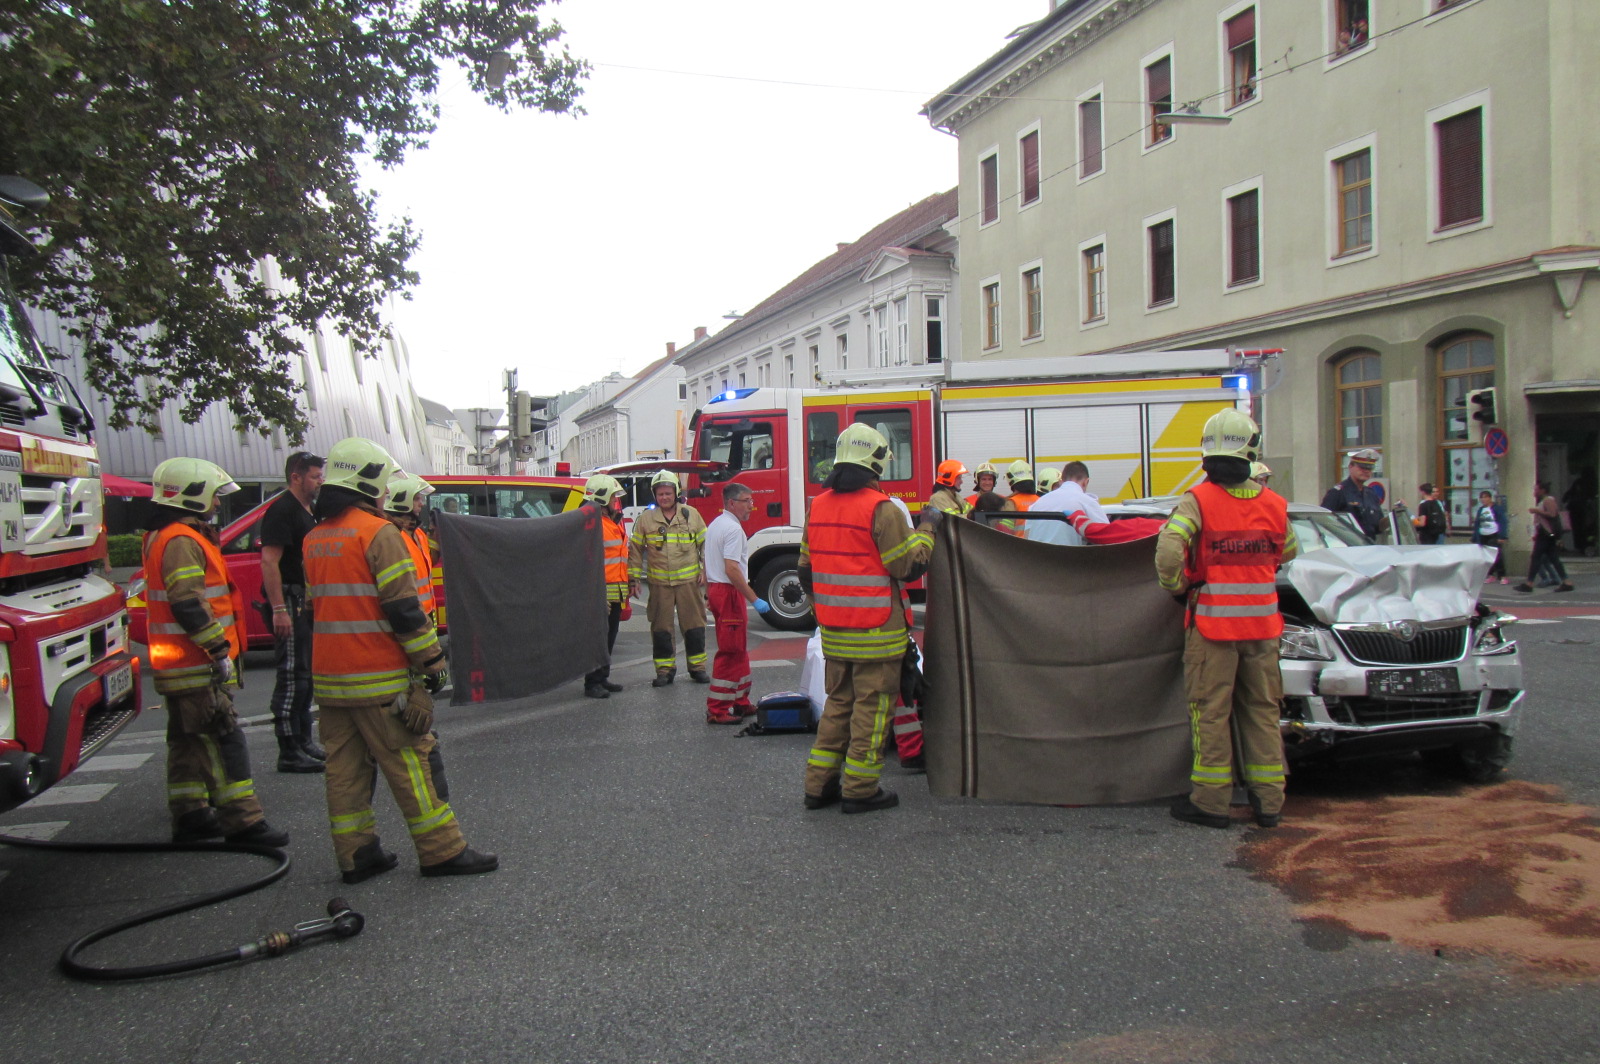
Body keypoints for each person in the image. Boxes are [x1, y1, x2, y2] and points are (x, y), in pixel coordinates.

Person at [305, 438, 496, 882]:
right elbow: (403, 609)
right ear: (367, 482)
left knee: (345, 771)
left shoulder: (315, 538)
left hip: (331, 679)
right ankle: (441, 851)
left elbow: (319, 605)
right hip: (377, 677)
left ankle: (357, 854)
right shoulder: (378, 533)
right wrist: (431, 663)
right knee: (412, 761)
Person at [1155, 409, 1299, 830]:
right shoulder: (1274, 504)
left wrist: (1178, 587)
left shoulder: (1198, 500)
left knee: (1210, 712)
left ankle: (1211, 802)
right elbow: (1289, 551)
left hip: (1213, 628)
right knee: (1262, 711)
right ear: (1251, 451)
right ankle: (1269, 802)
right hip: (1264, 630)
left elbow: (1168, 550)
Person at [145, 457, 289, 847]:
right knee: (223, 737)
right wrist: (218, 648)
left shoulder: (166, 536)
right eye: (212, 496)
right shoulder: (182, 541)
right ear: (192, 495)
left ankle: (191, 815)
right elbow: (188, 602)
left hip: (178, 664)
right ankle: (243, 821)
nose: (217, 504)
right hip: (196, 664)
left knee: (186, 741)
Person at [800, 424, 934, 815]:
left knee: (838, 706)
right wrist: (929, 529)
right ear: (876, 462)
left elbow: (805, 569)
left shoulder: (818, 506)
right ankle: (860, 790)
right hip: (877, 633)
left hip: (834, 632)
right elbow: (907, 566)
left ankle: (818, 786)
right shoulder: (882, 509)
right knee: (872, 713)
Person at [260, 450, 326, 773]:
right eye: (315, 476)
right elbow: (269, 561)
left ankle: (303, 740)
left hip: (301, 599)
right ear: (295, 477)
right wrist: (278, 609)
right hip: (287, 598)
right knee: (290, 676)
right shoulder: (282, 510)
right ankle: (288, 750)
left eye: (321, 475)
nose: (320, 482)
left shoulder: (307, 510)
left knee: (304, 675)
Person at [629, 469, 710, 686]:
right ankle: (664, 671)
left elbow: (705, 544)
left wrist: (705, 570)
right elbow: (635, 550)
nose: (664, 498)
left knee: (694, 626)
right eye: (660, 494)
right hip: (659, 585)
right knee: (661, 628)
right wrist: (633, 579)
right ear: (654, 495)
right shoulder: (645, 519)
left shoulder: (691, 514)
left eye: (667, 493)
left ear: (676, 493)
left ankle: (698, 668)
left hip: (688, 584)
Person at [703, 483, 772, 724]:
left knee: (738, 648)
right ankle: (717, 709)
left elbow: (708, 562)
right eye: (746, 501)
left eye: (752, 500)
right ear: (732, 503)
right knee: (731, 651)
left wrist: (708, 592)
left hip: (719, 590)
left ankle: (741, 701)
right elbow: (731, 568)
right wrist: (755, 599)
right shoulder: (733, 529)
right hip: (728, 592)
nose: (751, 506)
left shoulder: (716, 524)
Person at [581, 474, 632, 700]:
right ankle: (592, 682)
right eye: (613, 497)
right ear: (602, 498)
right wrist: (597, 594)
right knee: (598, 640)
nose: (615, 501)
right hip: (601, 593)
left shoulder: (610, 522)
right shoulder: (593, 525)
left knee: (609, 637)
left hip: (615, 591)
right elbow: (588, 562)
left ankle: (602, 677)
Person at [1513, 481, 1575, 594]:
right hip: (1544, 534)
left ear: (1542, 490)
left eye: (1536, 489)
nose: (1534, 491)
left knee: (1536, 557)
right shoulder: (1543, 501)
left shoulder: (1548, 500)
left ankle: (1529, 584)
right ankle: (1566, 582)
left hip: (1546, 534)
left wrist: (1537, 511)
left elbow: (1552, 514)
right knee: (1553, 558)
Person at [1029, 461, 1108, 546]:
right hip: (1068, 554)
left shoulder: (1037, 503)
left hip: (1035, 554)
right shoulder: (1087, 502)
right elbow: (1107, 536)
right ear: (1086, 482)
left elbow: (1027, 536)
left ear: (1061, 481)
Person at [1321, 448, 1384, 538]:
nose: (1366, 471)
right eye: (1362, 467)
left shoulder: (1371, 494)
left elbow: (1379, 526)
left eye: (1369, 468)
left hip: (1369, 543)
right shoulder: (1338, 493)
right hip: (1346, 544)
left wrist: (1395, 515)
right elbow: (1324, 522)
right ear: (1350, 467)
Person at [1471, 490, 1508, 584]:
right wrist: (1475, 537)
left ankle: (1502, 575)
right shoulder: (1481, 510)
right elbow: (1477, 524)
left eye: (1485, 497)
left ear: (1490, 498)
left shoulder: (1496, 508)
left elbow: (1503, 522)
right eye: (1481, 498)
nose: (1483, 500)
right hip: (1483, 535)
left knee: (1497, 555)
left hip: (1494, 534)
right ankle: (1490, 575)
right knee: (1487, 556)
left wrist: (1502, 536)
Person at [998, 460, 1040, 536]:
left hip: (1018, 543)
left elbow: (1005, 530)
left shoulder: (1011, 502)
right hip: (1039, 543)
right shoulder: (1039, 500)